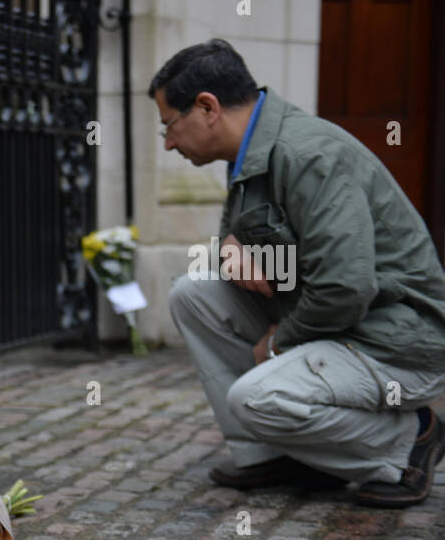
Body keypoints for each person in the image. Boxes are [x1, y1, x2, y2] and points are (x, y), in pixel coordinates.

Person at [153, 39, 445, 507]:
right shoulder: (253, 151)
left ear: (207, 107)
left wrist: (281, 340)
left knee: (254, 397)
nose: (168, 142)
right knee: (192, 292)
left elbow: (346, 286)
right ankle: (279, 454)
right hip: (345, 324)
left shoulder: (307, 154)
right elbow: (249, 237)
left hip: (397, 344)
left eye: (168, 125)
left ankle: (409, 441)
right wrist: (232, 245)